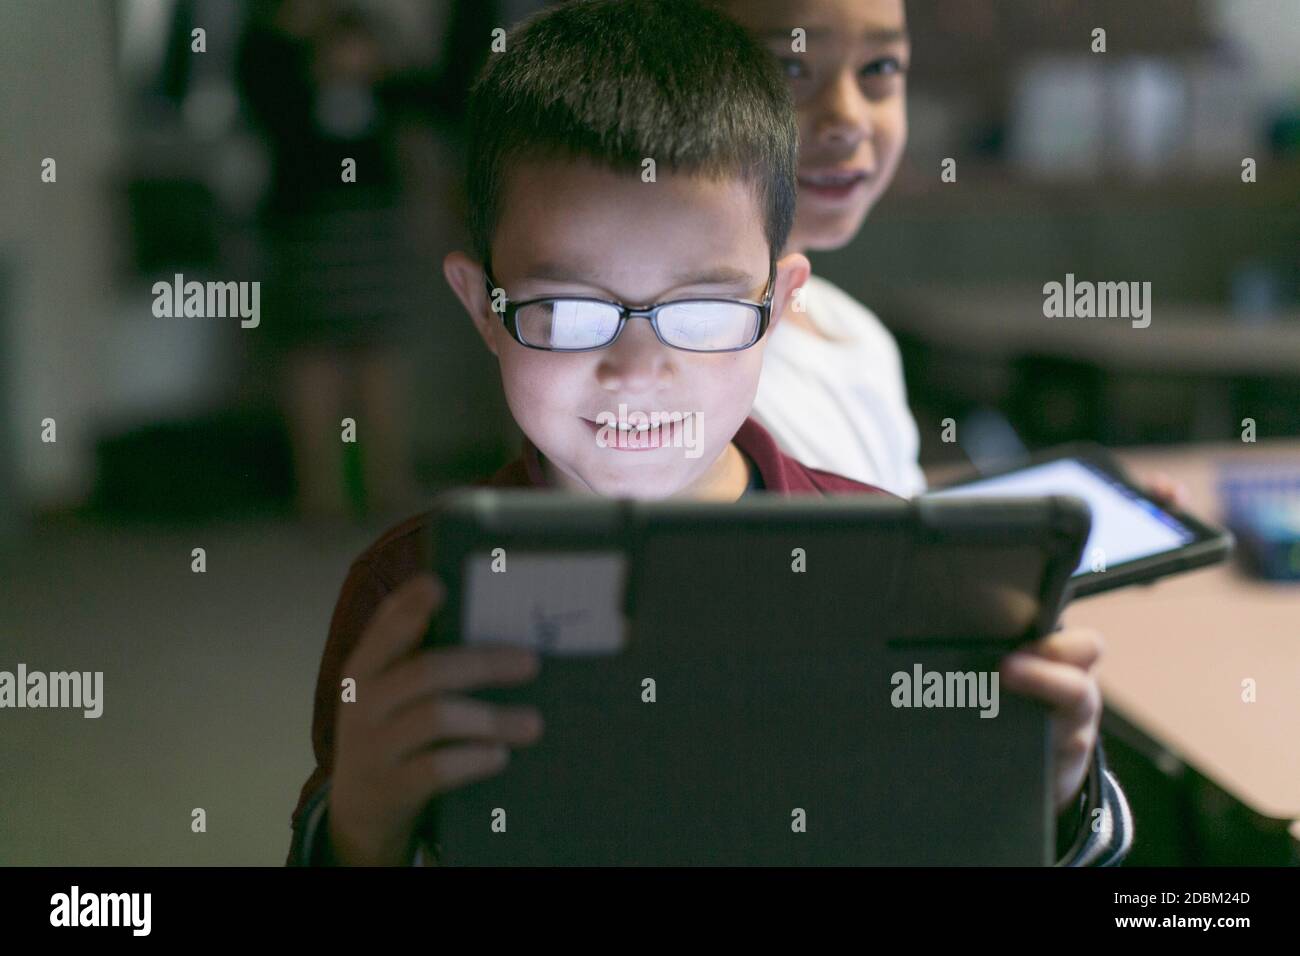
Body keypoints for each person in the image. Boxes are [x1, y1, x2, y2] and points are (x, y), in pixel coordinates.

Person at [287, 0, 1129, 867]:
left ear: (780, 303)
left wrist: (1052, 798)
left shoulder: (893, 563)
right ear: (482, 306)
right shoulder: (407, 594)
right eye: (572, 311)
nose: (637, 367)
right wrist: (360, 835)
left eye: (705, 310)